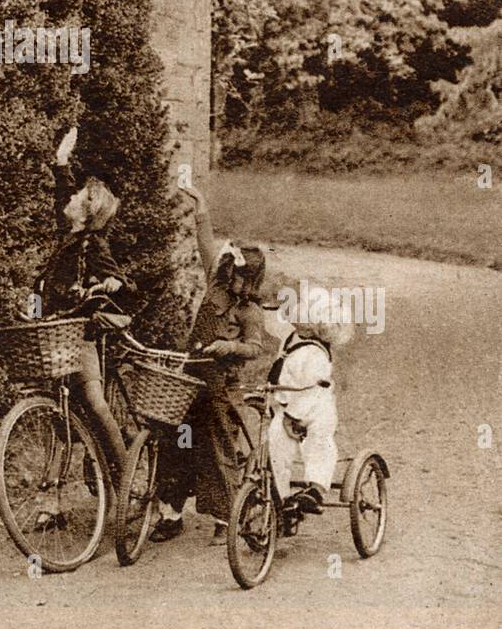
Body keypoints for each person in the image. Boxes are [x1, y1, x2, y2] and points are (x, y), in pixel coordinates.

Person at [151, 184, 267, 544]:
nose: (230, 277)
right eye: (229, 271)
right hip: (189, 380)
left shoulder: (250, 312)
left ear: (250, 281)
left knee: (218, 448)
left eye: (237, 275)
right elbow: (206, 247)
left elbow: (255, 348)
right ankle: (171, 514)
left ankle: (226, 516)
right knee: (175, 441)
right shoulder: (214, 289)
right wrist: (201, 208)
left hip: (221, 386)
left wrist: (228, 346)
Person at [31, 126, 131, 528]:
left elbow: (125, 284)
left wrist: (110, 284)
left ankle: (124, 484)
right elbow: (63, 194)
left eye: (78, 198)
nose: (68, 200)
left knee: (94, 405)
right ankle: (51, 502)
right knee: (58, 415)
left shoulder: (94, 245)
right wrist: (60, 161)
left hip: (82, 339)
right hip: (55, 338)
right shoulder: (67, 235)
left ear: (88, 212)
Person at [267, 311, 353, 533]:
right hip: (287, 405)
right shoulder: (291, 337)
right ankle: (282, 497)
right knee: (276, 443)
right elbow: (273, 323)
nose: (298, 324)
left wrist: (293, 417)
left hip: (315, 408)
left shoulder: (317, 355)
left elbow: (314, 392)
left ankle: (316, 488)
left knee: (318, 441)